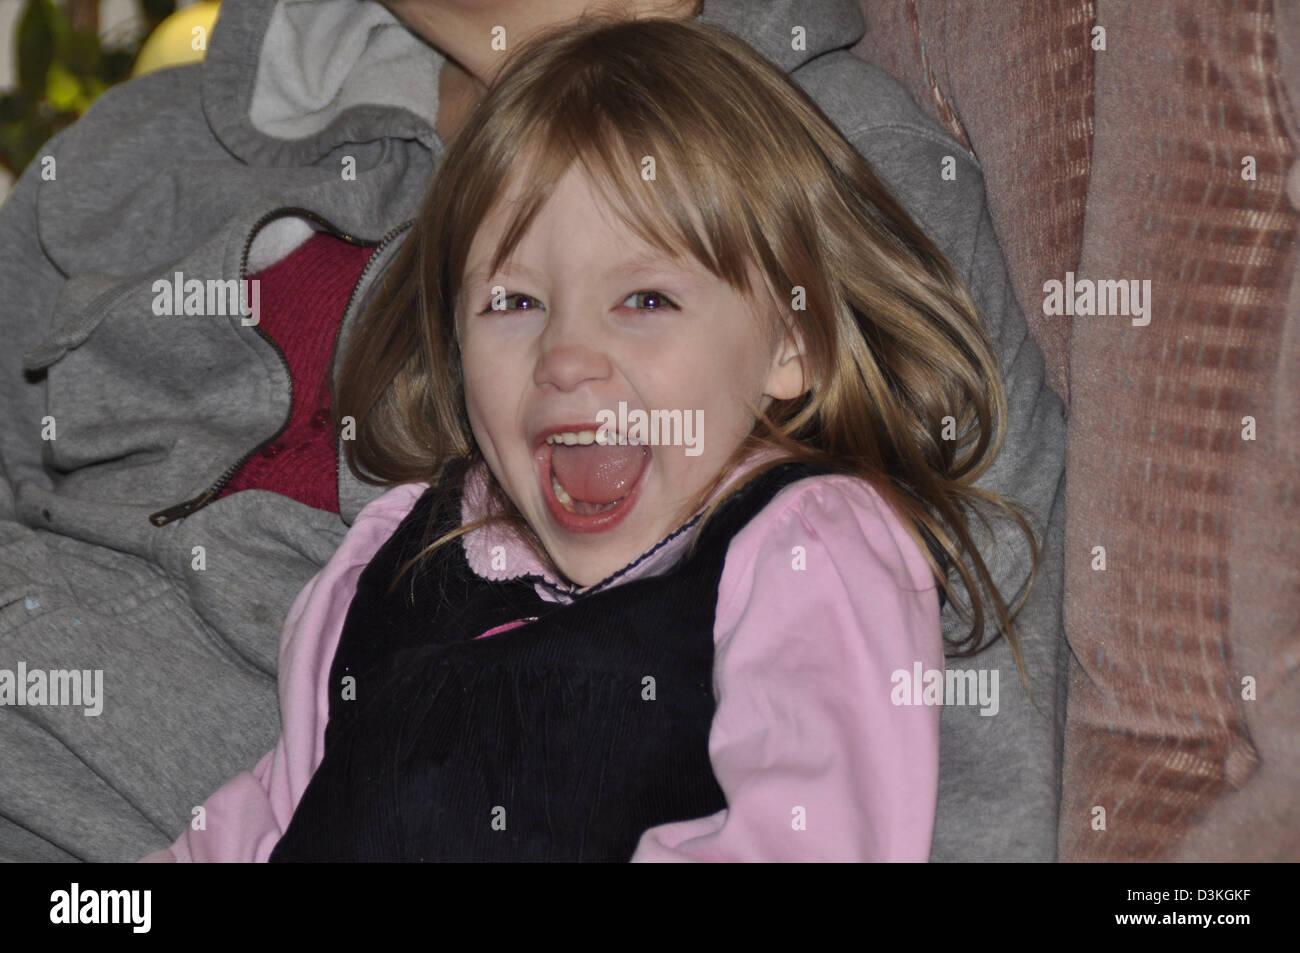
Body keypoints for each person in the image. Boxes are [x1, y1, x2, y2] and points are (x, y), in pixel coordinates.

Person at [0, 0, 1066, 863]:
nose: (565, 354)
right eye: (510, 304)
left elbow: (869, 800)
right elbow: (267, 809)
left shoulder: (803, 541)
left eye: (645, 298)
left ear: (795, 341)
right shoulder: (396, 559)